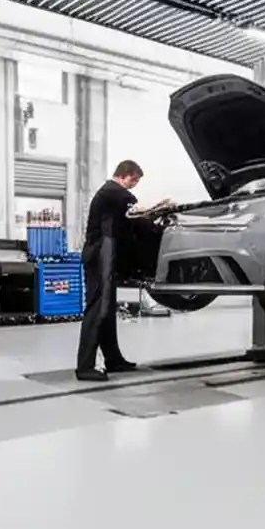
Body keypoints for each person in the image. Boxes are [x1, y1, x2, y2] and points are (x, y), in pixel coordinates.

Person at [75, 160, 157, 381]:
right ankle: (84, 367)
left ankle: (113, 360)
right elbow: (136, 211)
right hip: (101, 256)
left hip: (103, 256)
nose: (134, 186)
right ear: (125, 175)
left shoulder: (111, 196)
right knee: (97, 309)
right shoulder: (114, 193)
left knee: (107, 309)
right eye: (134, 181)